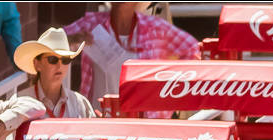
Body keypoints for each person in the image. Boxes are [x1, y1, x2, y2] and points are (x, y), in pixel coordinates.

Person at [0, 28, 96, 140]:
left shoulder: (81, 103)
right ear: (37, 64)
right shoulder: (19, 102)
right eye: (53, 60)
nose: (60, 65)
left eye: (66, 60)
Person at [64, 2, 200, 106]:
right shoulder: (91, 23)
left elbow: (193, 51)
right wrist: (73, 39)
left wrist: (171, 88)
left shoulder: (156, 28)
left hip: (142, 121)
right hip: (99, 118)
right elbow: (50, 41)